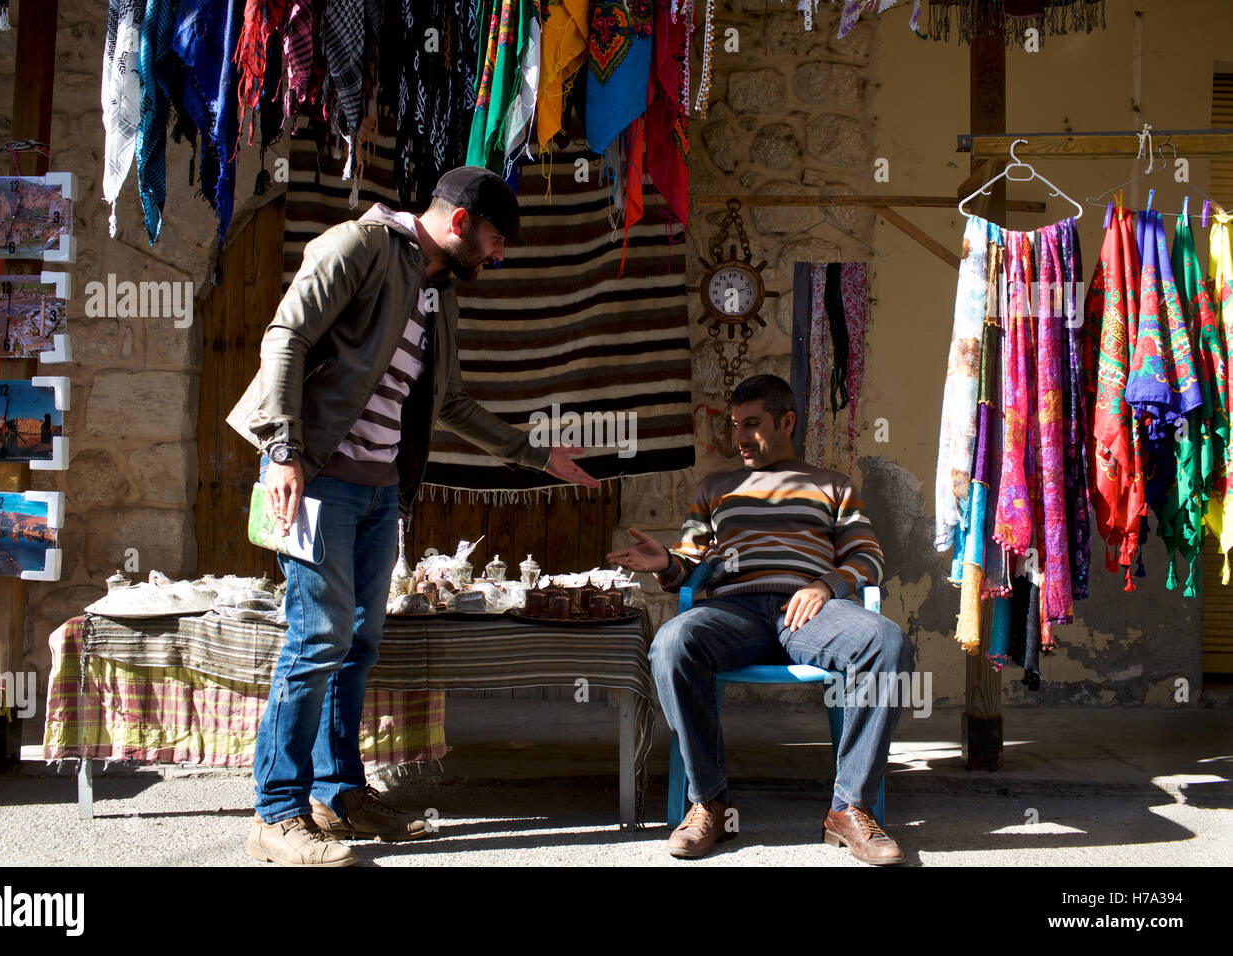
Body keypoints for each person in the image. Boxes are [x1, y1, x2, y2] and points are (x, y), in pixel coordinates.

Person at [229, 165, 599, 867]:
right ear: (459, 222)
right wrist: (281, 449)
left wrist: (537, 457)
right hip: (315, 480)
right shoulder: (356, 245)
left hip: (377, 493)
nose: (499, 255)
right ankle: (275, 813)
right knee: (317, 639)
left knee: (360, 641)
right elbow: (286, 337)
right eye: (495, 239)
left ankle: (338, 795)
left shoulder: (436, 295)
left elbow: (450, 404)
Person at [606, 373, 915, 864]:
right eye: (734, 426)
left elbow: (868, 558)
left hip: (813, 610)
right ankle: (709, 801)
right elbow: (692, 563)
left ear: (786, 421)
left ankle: (849, 808)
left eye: (752, 424)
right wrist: (666, 562)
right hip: (735, 612)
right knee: (671, 642)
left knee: (888, 641)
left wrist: (825, 584)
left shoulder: (832, 485)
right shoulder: (715, 489)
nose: (740, 438)